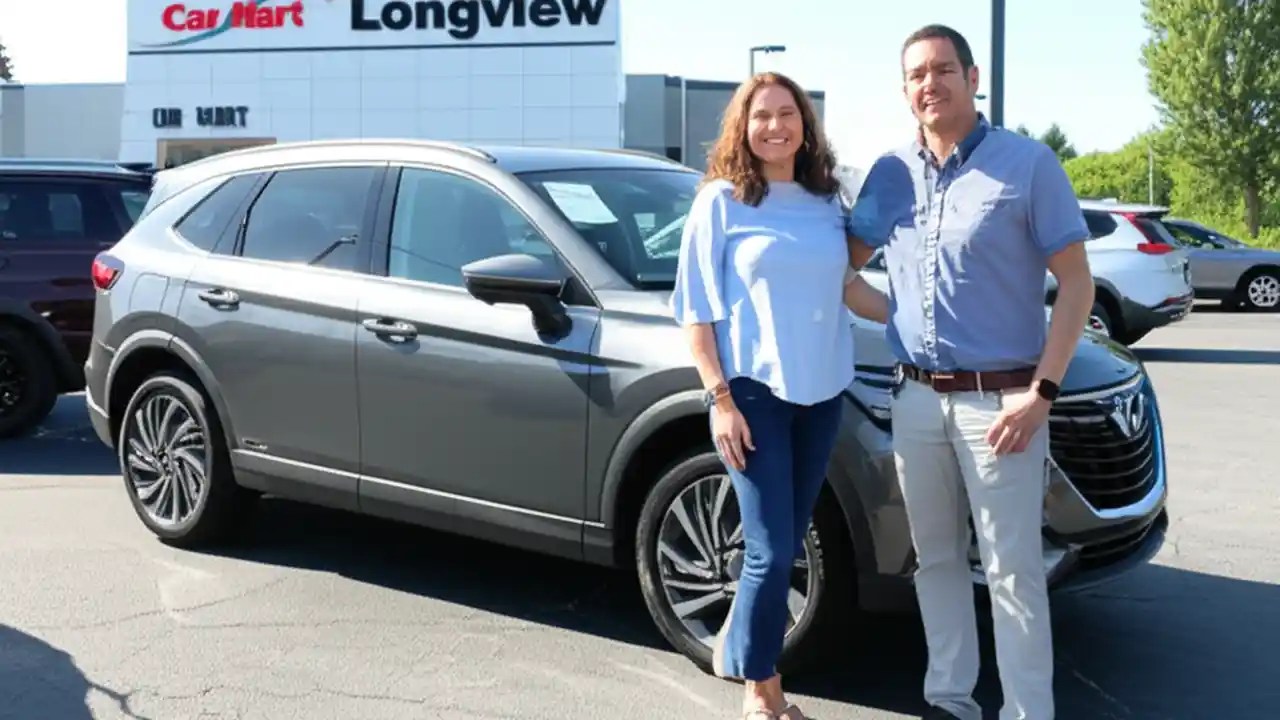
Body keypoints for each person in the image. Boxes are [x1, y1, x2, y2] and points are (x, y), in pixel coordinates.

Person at [845, 24, 1095, 720]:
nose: (931, 84)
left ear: (972, 76)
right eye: (917, 75)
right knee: (937, 561)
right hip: (916, 402)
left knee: (1014, 571)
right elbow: (844, 272)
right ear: (905, 90)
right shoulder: (890, 173)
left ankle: (1026, 711)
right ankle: (949, 698)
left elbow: (1075, 285)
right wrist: (896, 315)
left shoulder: (1027, 164)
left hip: (1003, 405)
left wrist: (1041, 392)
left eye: (943, 70)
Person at [671, 71, 888, 720]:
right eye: (761, 115)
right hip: (754, 395)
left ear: (805, 123)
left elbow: (847, 288)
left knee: (787, 542)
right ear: (743, 126)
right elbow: (697, 310)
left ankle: (736, 649)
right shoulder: (721, 201)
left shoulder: (826, 202)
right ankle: (761, 694)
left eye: (786, 113)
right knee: (769, 550)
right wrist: (720, 400)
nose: (775, 125)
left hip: (821, 394)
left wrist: (916, 324)